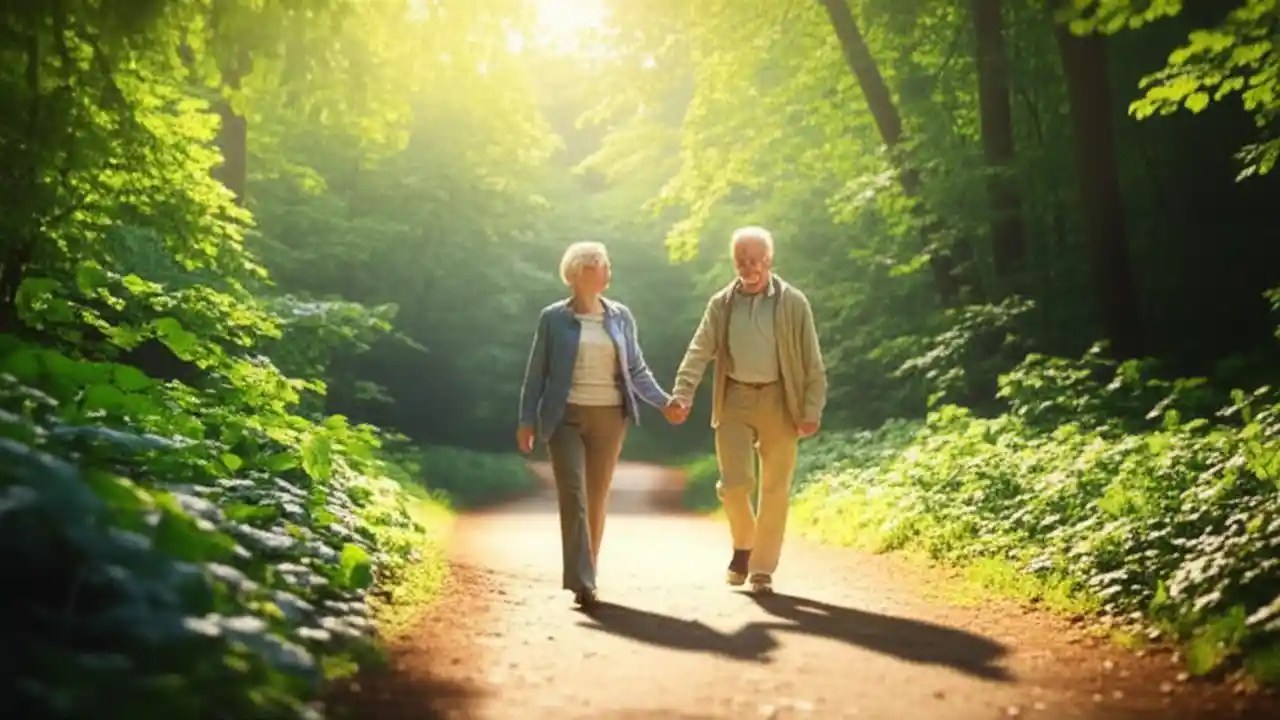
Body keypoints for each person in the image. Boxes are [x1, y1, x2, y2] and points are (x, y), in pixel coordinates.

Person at [517, 241, 683, 609]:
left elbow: (636, 369)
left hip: (609, 417)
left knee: (595, 496)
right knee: (573, 494)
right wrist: (526, 420)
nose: (608, 272)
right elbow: (536, 373)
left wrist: (664, 402)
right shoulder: (552, 318)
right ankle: (582, 581)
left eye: (607, 266)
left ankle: (589, 569)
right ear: (580, 274)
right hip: (564, 417)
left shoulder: (620, 316)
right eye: (601, 266)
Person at [667, 226, 827, 594]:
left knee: (775, 488)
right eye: (741, 259)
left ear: (769, 260)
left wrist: (811, 408)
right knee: (734, 486)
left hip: (780, 400)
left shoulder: (793, 303)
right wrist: (682, 393)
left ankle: (761, 569)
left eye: (755, 259)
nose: (748, 266)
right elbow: (698, 350)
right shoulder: (722, 304)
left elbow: (812, 361)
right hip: (735, 398)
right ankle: (744, 545)